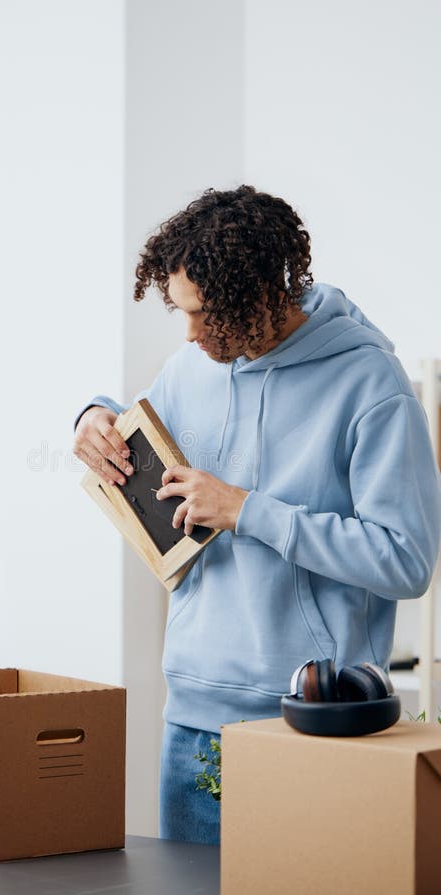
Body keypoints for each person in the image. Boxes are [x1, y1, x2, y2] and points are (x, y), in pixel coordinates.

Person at [72, 185, 441, 845]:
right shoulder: (194, 365)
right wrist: (93, 417)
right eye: (180, 312)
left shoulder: (371, 386)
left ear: (265, 295)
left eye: (204, 313)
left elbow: (406, 561)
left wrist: (249, 511)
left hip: (312, 724)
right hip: (191, 716)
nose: (187, 334)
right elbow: (140, 428)